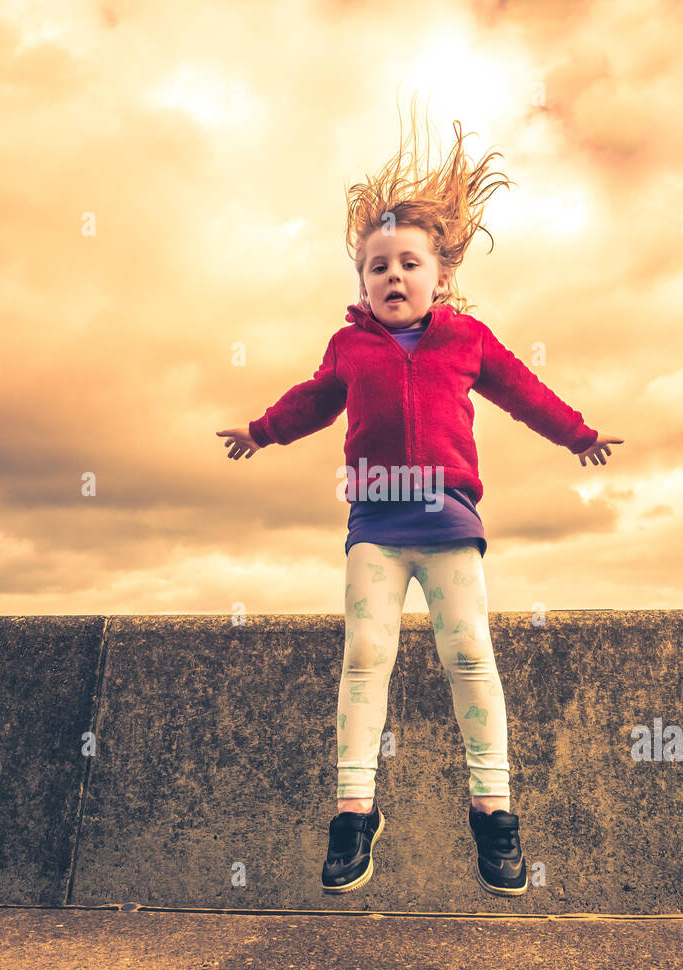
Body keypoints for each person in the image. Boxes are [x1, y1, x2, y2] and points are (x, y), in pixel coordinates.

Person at [216, 98, 622, 898]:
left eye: (408, 263)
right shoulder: (348, 346)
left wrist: (576, 433)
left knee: (470, 654)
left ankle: (494, 813)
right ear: (362, 282)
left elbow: (523, 391)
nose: (392, 276)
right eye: (377, 267)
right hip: (375, 523)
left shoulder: (466, 341)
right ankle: (353, 815)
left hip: (448, 526)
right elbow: (311, 400)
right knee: (366, 657)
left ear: (440, 275)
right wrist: (262, 431)